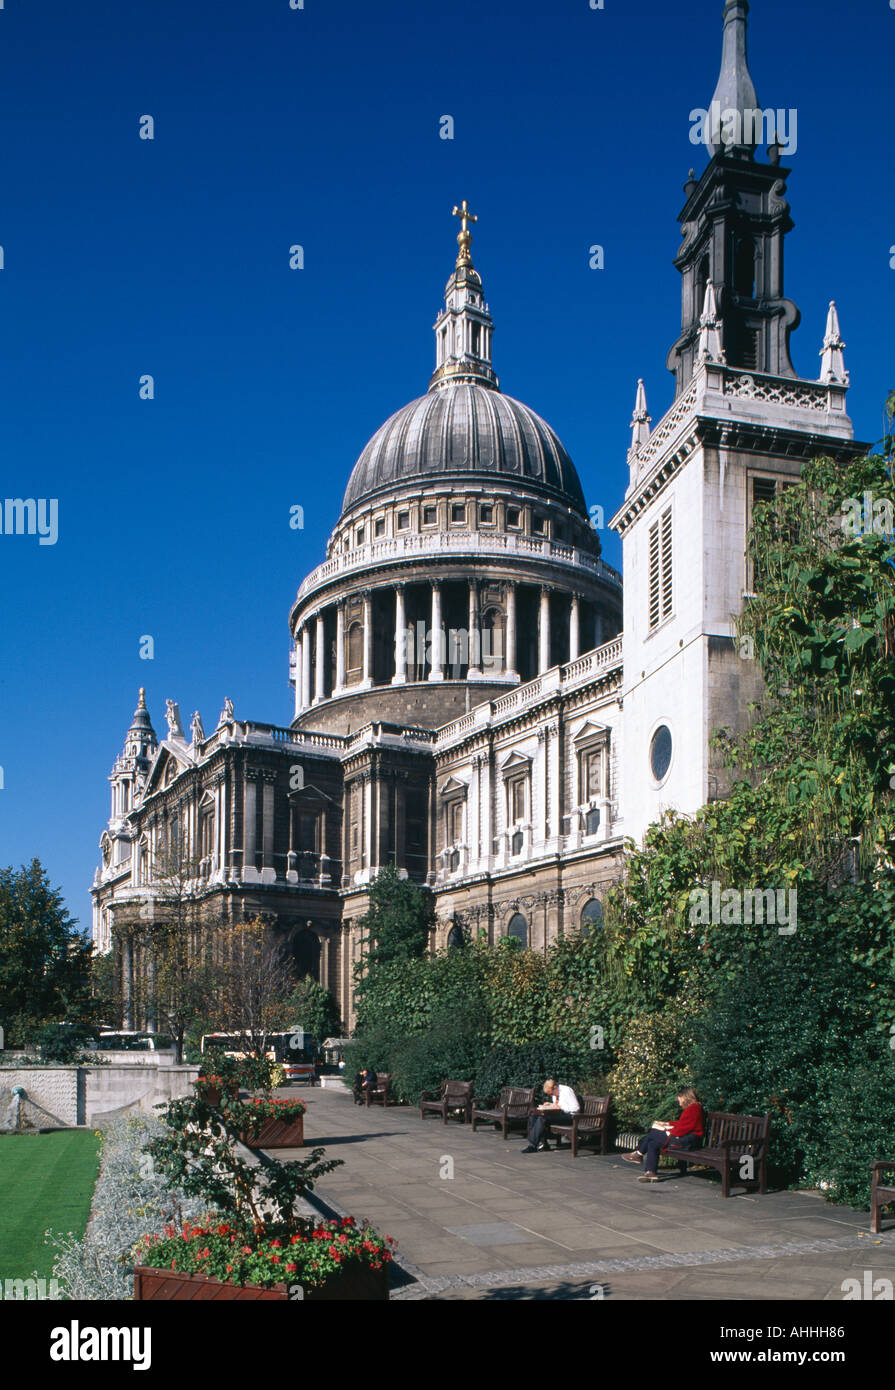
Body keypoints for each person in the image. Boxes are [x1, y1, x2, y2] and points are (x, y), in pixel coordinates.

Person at [624, 1086, 704, 1182]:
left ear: (685, 1097)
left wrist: (666, 1131)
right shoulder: (694, 1108)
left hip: (688, 1142)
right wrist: (667, 1124)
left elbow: (682, 1129)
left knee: (653, 1133)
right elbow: (684, 1124)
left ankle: (638, 1154)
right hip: (688, 1139)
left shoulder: (693, 1109)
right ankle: (650, 1172)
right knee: (653, 1143)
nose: (679, 1103)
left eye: (679, 1100)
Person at [521, 1078, 580, 1153]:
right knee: (533, 1116)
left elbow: (576, 1108)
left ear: (555, 1087)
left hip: (571, 1117)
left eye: (551, 1094)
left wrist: (561, 1107)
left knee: (543, 1119)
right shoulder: (556, 1093)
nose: (551, 1095)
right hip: (560, 1115)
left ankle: (532, 1145)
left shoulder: (567, 1091)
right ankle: (544, 1144)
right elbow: (558, 1105)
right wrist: (550, 1104)